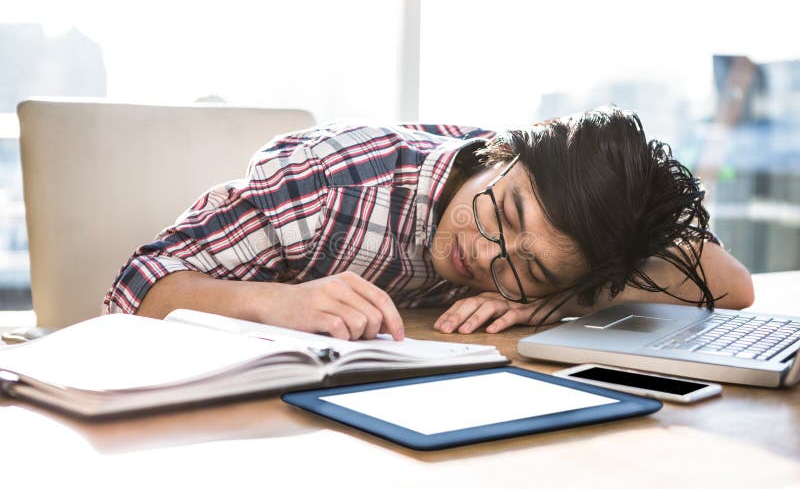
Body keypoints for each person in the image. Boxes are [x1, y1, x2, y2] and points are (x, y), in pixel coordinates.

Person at [103, 106, 754, 341]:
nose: (485, 253)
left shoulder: (574, 241)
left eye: (526, 267)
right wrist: (279, 303)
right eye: (502, 213)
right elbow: (131, 290)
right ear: (502, 151)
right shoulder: (335, 183)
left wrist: (559, 299)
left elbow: (731, 284)